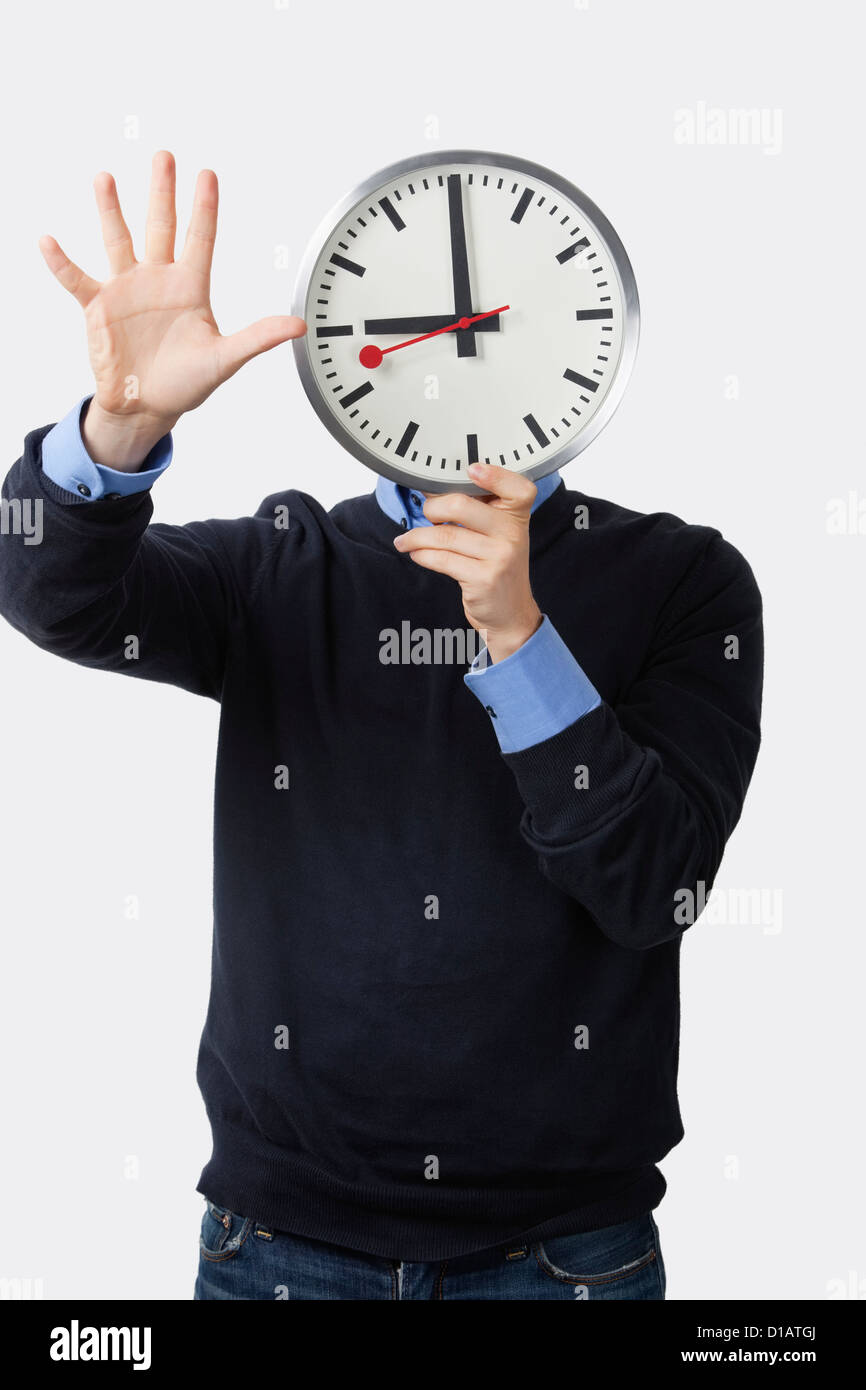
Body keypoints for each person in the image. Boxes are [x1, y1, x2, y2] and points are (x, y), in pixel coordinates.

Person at [0, 152, 763, 1301]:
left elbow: (651, 882)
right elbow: (56, 598)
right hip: (277, 1251)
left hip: (566, 1259)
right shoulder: (278, 566)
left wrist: (520, 640)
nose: (463, 348)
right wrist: (115, 431)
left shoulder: (684, 583)